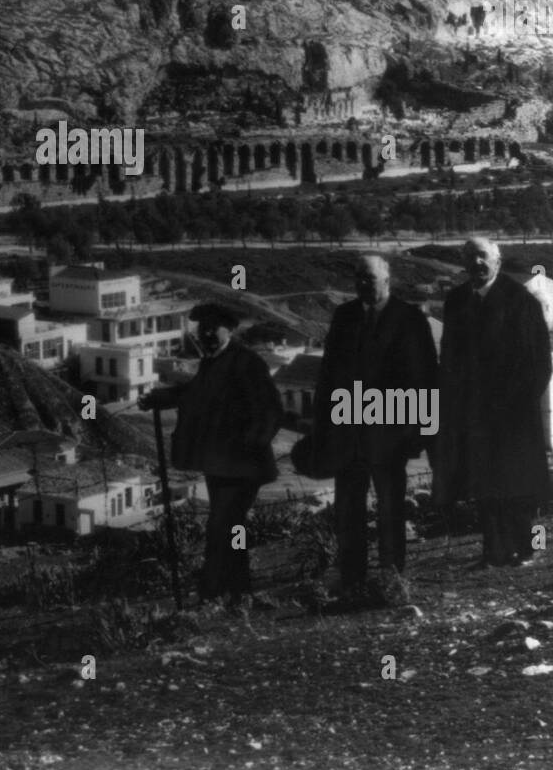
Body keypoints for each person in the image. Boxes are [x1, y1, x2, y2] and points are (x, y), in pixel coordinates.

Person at [311, 255, 438, 608]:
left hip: (389, 431)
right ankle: (352, 582)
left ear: (387, 280)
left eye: (370, 278)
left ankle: (392, 580)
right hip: (348, 431)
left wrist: (421, 431)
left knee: (390, 509)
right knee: (348, 509)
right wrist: (322, 426)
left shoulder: (410, 319)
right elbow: (328, 376)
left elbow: (426, 377)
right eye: (358, 278)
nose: (363, 284)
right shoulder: (344, 316)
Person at [139, 303, 284, 609]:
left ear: (229, 330)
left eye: (213, 327)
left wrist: (250, 444)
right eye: (201, 328)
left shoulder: (247, 363)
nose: (206, 333)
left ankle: (212, 593)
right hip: (220, 465)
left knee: (221, 525)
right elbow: (193, 394)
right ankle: (240, 592)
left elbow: (271, 409)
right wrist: (159, 398)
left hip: (244, 465)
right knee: (232, 527)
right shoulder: (211, 363)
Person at [432, 238, 552, 567]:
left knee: (516, 483)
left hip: (514, 413)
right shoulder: (456, 301)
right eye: (470, 258)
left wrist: (520, 403)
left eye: (483, 256)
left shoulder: (520, 301)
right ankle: (493, 551)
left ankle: (528, 549)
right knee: (483, 483)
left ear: (497, 262)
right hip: (474, 412)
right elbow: (450, 359)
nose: (477, 263)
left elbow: (540, 361)